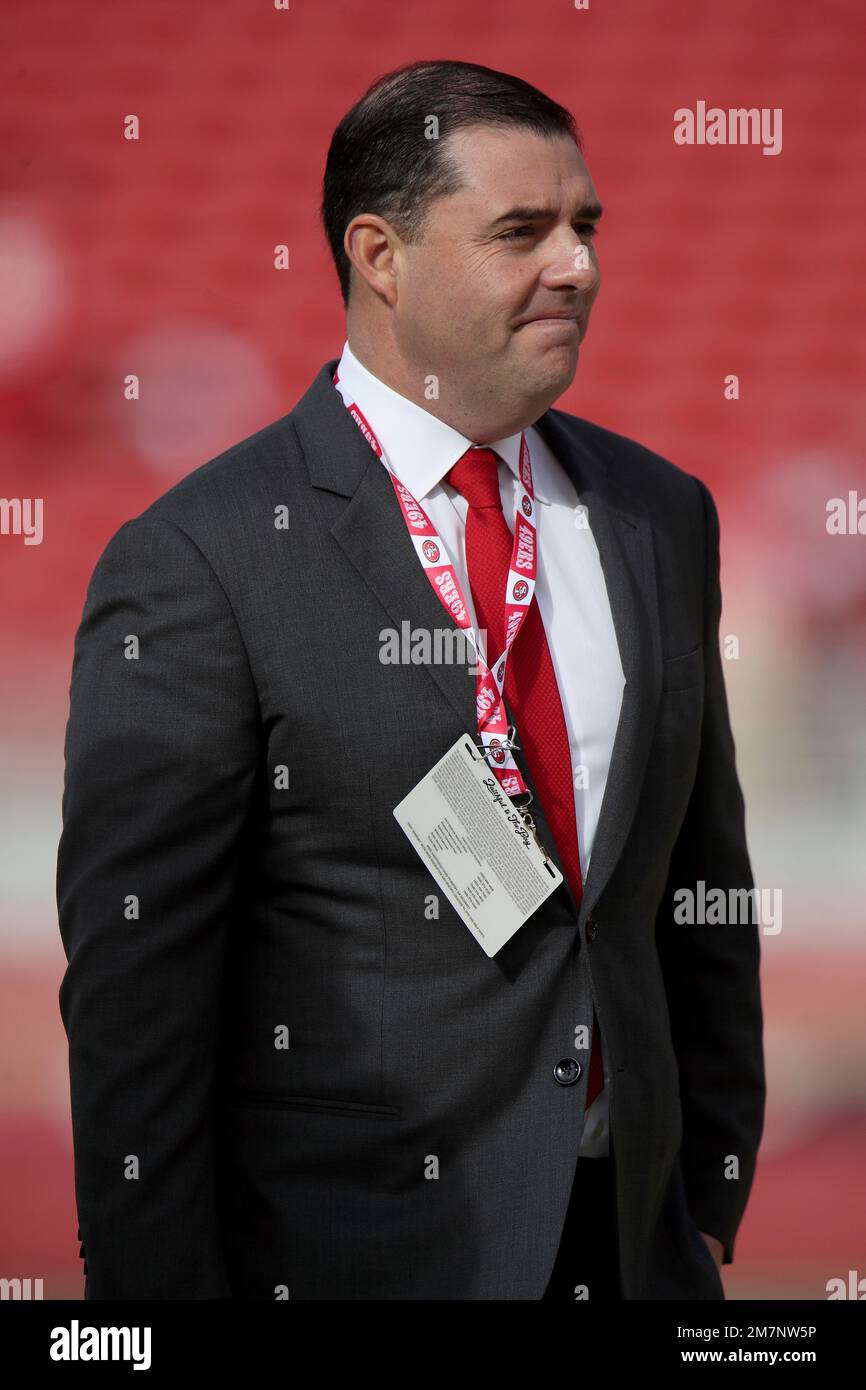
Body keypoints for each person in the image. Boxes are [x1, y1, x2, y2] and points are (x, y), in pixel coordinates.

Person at [57, 58, 765, 1301]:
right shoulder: (201, 558)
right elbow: (139, 989)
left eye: (585, 225)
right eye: (521, 231)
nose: (578, 267)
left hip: (636, 1251)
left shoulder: (660, 515)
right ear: (377, 255)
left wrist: (704, 1197)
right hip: (356, 1256)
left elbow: (696, 880)